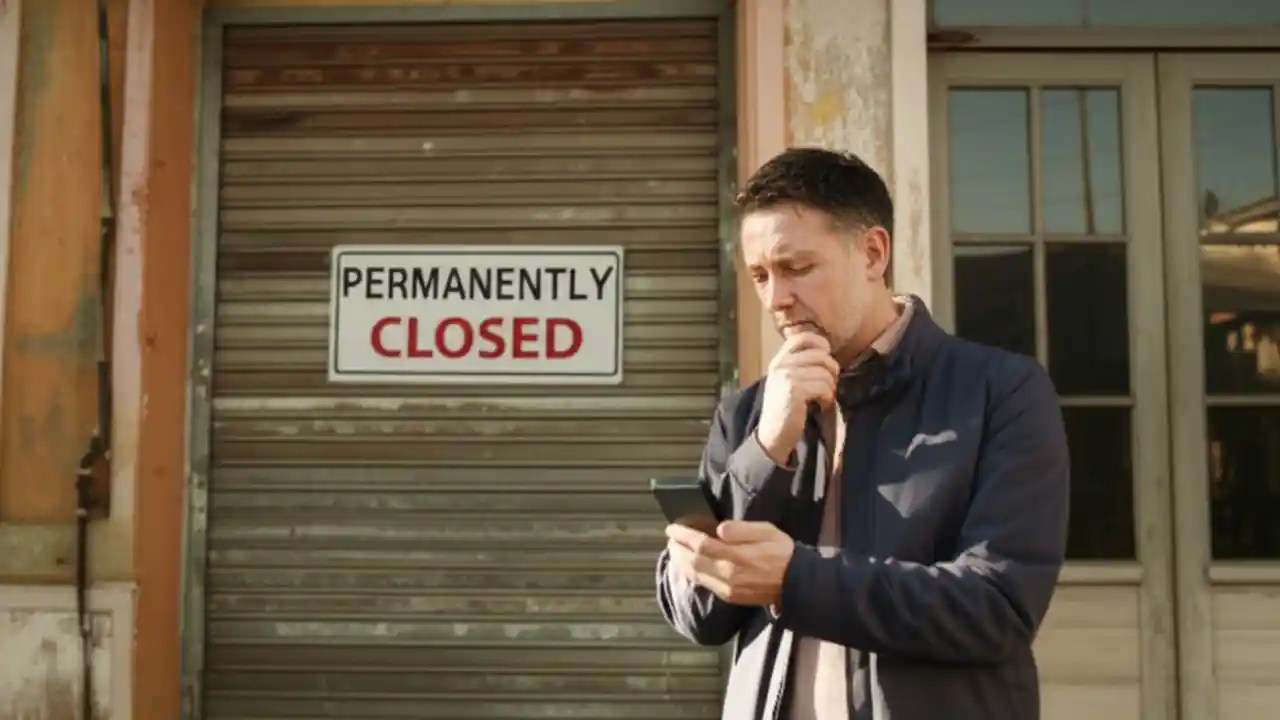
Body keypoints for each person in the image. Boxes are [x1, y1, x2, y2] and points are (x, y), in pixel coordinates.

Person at [655, 147, 1070, 719]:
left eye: (796, 268)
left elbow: (998, 608)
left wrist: (796, 579)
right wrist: (767, 450)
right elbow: (698, 613)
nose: (777, 298)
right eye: (760, 275)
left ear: (873, 253)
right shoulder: (748, 415)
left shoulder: (1001, 392)